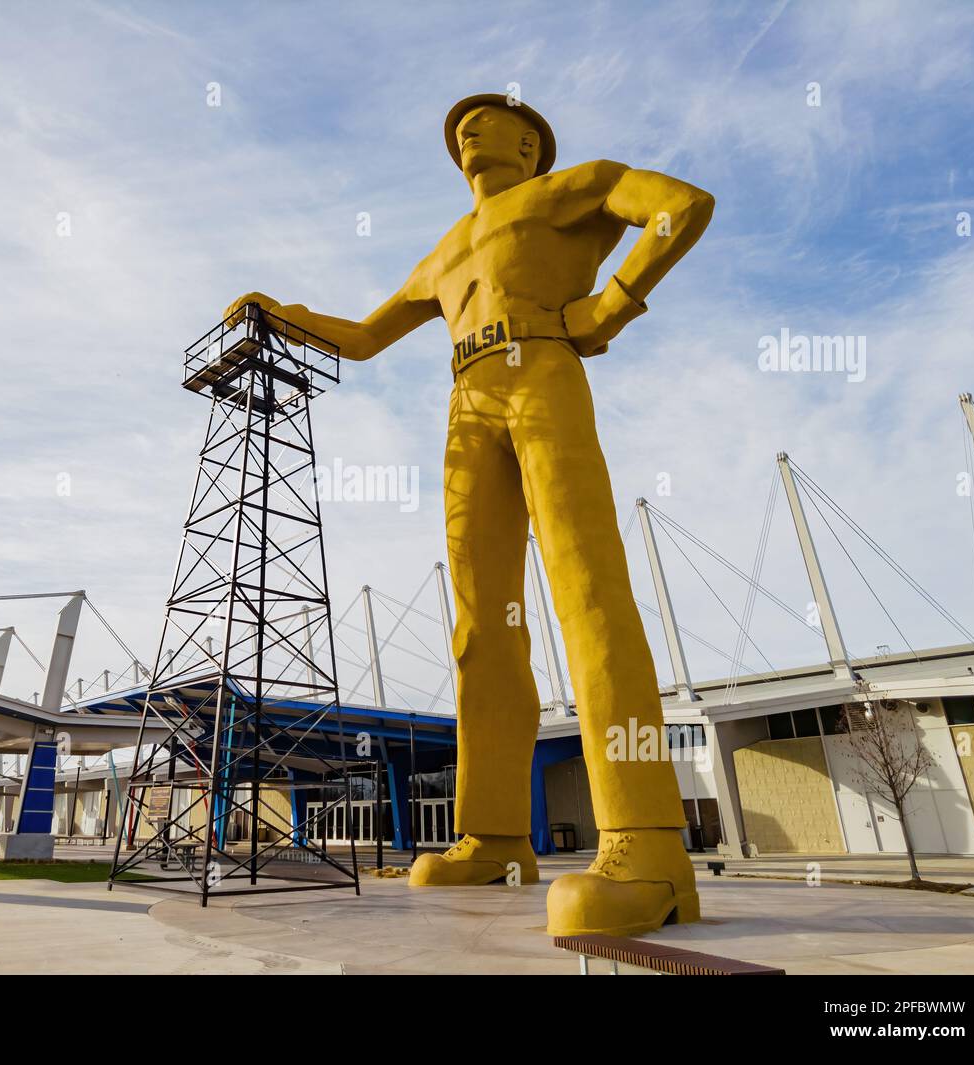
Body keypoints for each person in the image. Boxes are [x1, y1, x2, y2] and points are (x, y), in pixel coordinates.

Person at [225, 93, 714, 936]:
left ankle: (648, 844)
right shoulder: (445, 251)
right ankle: (494, 838)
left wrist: (612, 304)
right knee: (480, 626)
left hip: (545, 369)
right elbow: (366, 334)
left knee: (587, 584)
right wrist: (282, 314)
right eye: (459, 128)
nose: (466, 133)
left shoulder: (572, 187)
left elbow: (681, 206)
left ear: (530, 144)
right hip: (466, 400)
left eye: (485, 121)